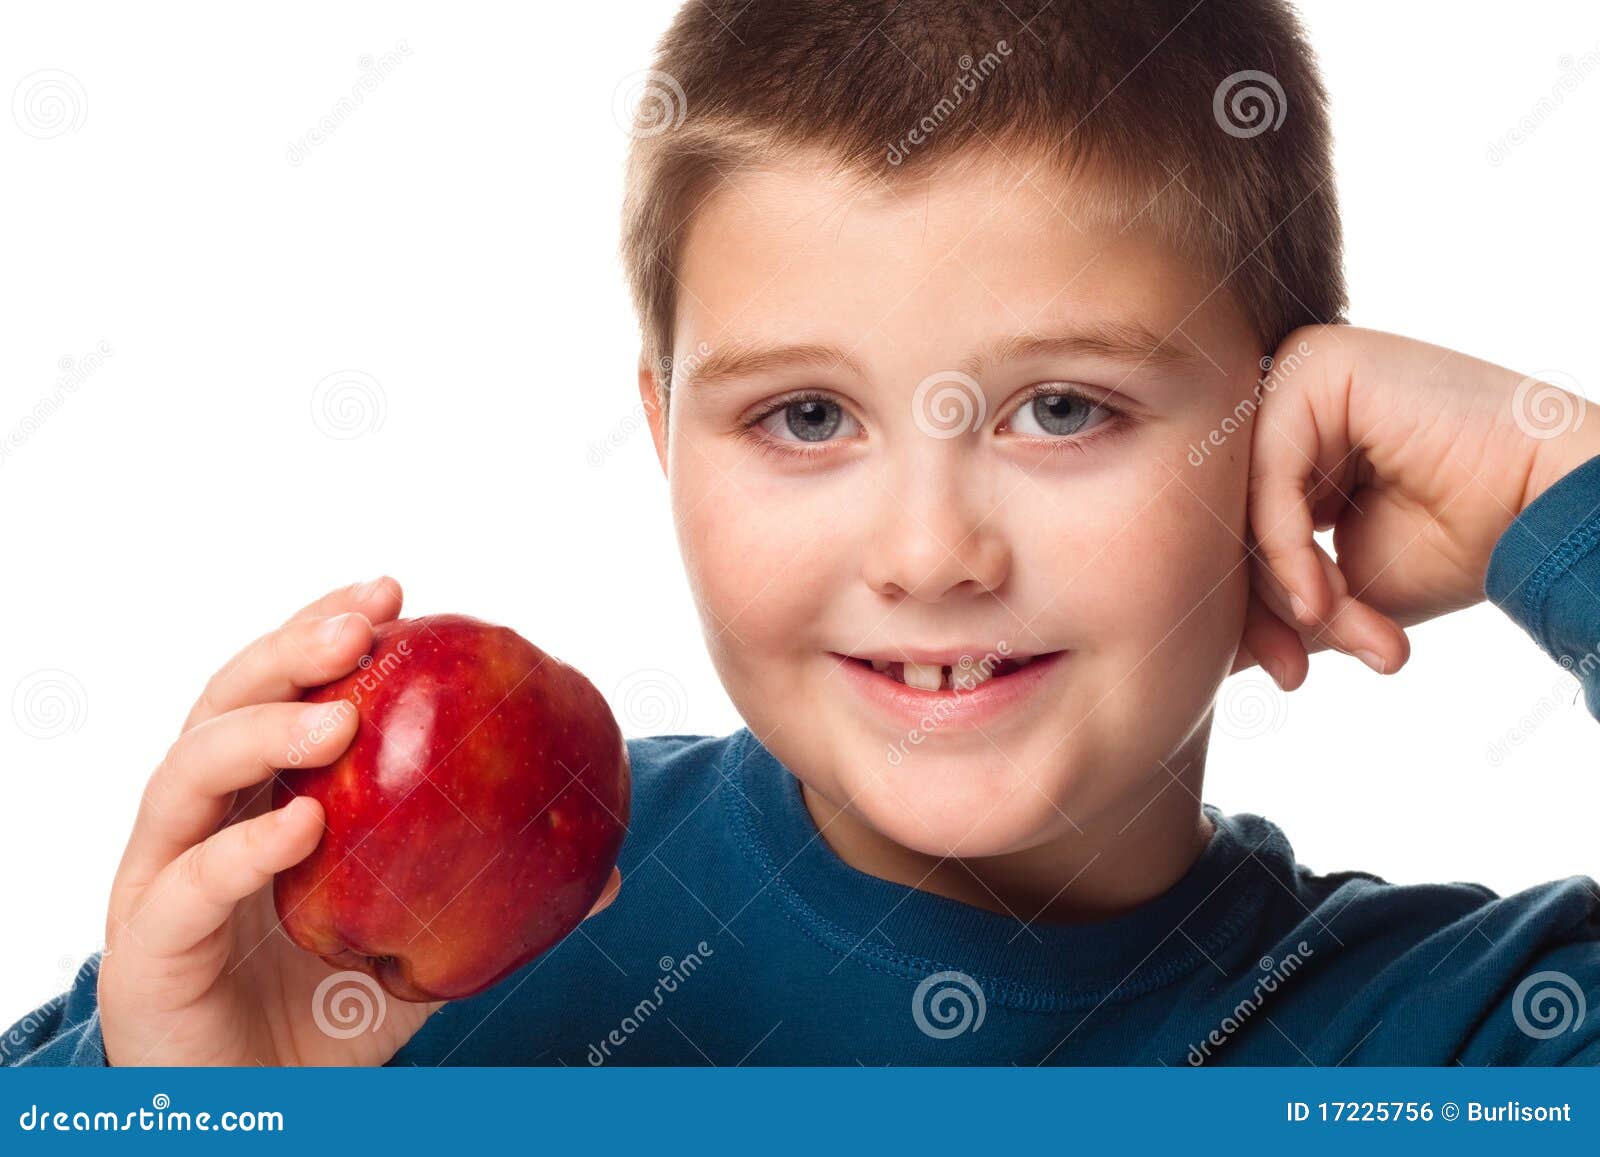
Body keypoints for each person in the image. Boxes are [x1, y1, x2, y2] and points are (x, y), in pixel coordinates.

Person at [8, 0, 1599, 1066]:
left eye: (1064, 409)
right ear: (662, 438)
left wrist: (1552, 493)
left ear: (1295, 434)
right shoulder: (377, 972)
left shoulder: (1448, 1040)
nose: (928, 550)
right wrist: (195, 1115)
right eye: (807, 419)